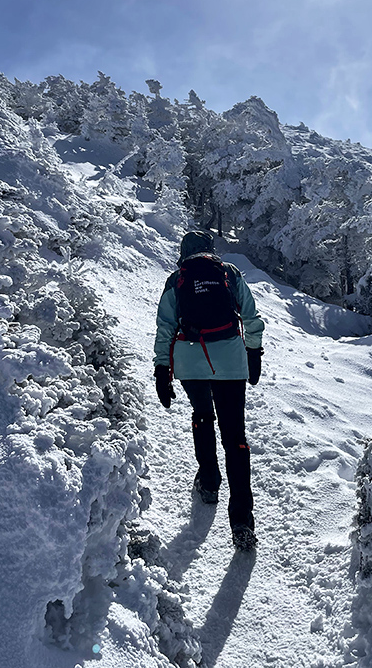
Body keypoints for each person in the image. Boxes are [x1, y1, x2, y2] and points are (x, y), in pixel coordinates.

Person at [153, 230, 264, 550]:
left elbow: (165, 328)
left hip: (191, 364)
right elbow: (251, 317)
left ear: (183, 253)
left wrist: (163, 369)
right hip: (231, 362)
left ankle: (210, 482)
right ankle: (242, 519)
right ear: (210, 251)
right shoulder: (229, 273)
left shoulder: (177, 280)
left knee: (203, 415)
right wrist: (253, 353)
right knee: (236, 437)